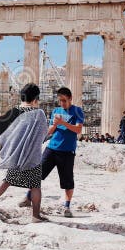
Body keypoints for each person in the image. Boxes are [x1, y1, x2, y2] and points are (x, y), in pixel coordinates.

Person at [0, 83, 49, 223]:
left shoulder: (14, 111)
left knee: (7, 181)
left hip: (16, 155)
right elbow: (43, 134)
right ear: (36, 98)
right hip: (31, 156)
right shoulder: (39, 113)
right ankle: (36, 216)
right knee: (35, 185)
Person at [19, 87, 84, 218]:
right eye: (60, 101)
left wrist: (63, 123)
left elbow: (78, 130)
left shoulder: (77, 111)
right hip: (52, 148)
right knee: (37, 173)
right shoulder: (56, 110)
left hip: (67, 151)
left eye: (64, 101)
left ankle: (66, 206)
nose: (62, 103)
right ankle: (28, 197)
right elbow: (50, 131)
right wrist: (54, 125)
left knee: (67, 181)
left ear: (70, 98)